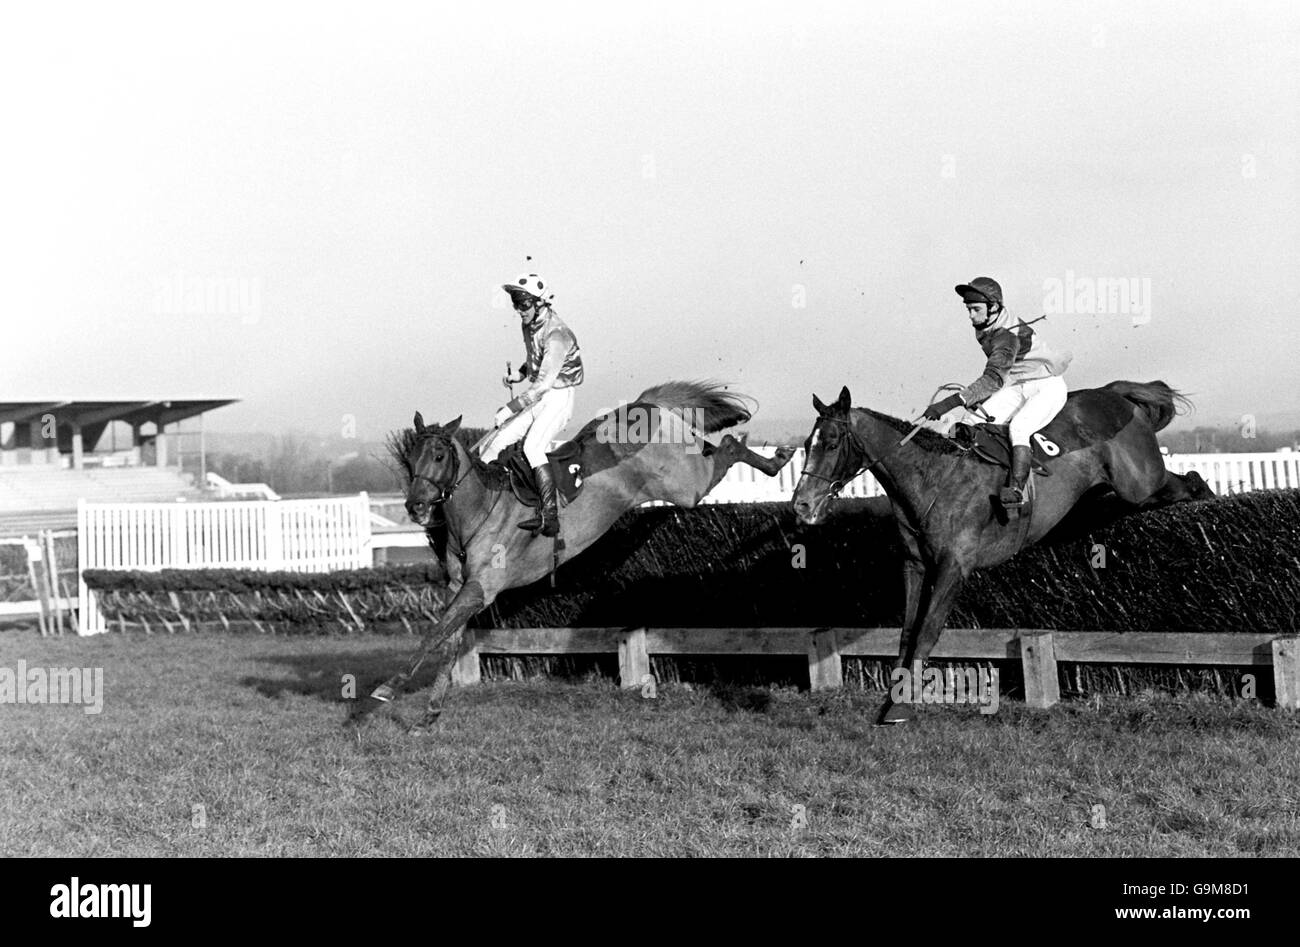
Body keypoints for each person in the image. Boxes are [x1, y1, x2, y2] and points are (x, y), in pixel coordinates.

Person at [922, 276, 1072, 507]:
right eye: (969, 310)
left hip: (1047, 386)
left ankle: (1016, 489)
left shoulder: (1006, 335)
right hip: (1019, 385)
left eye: (975, 309)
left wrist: (947, 404)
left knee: (1019, 427)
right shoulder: (988, 324)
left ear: (993, 307)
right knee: (969, 421)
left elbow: (993, 379)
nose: (971, 315)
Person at [478, 272, 584, 536]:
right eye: (516, 303)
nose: (518, 309)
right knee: (494, 444)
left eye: (523, 304)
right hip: (540, 394)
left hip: (558, 397)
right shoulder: (530, 325)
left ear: (540, 303)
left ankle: (550, 516)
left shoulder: (558, 334)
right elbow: (535, 359)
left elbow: (543, 384)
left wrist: (510, 408)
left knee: (532, 447)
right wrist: (520, 374)